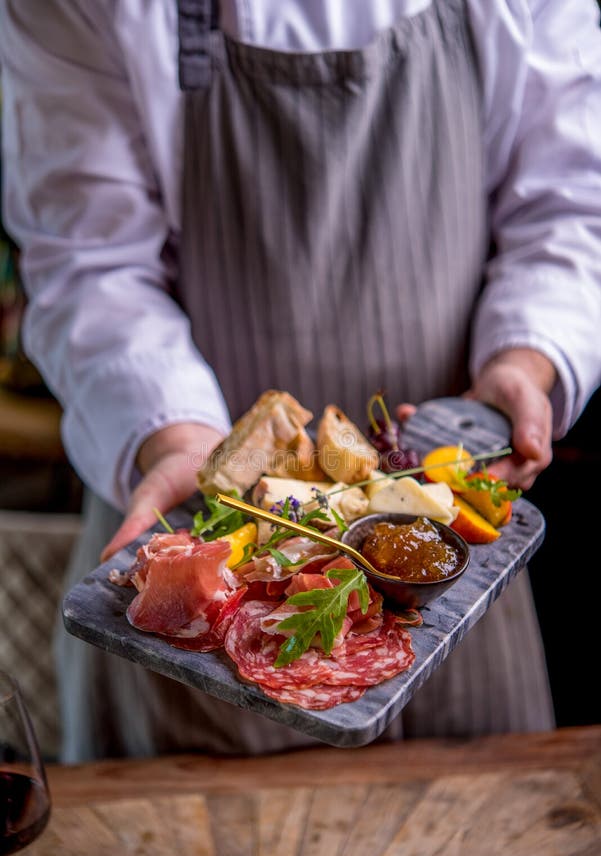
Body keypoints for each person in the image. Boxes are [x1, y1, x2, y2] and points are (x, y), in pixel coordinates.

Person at [1, 0, 600, 762]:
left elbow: (573, 207)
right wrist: (177, 440)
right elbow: (88, 262)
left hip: (449, 561)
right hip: (203, 553)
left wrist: (524, 361)